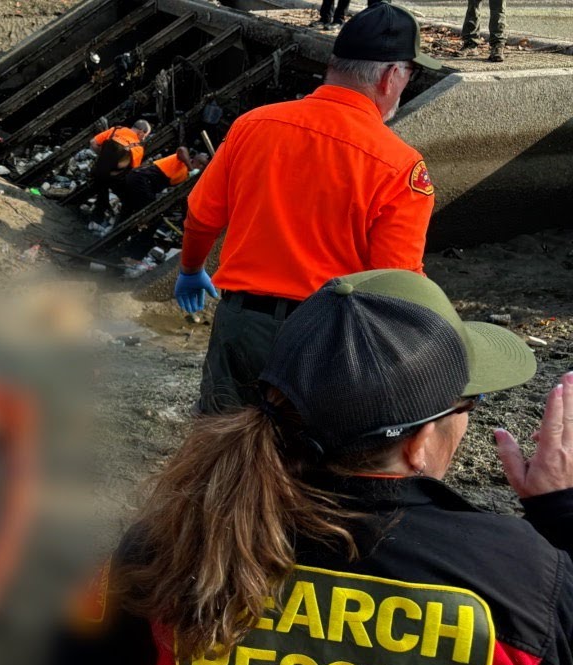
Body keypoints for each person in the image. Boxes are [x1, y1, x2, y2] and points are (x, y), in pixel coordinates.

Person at [55, 269, 573, 665]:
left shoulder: (165, 541)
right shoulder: (525, 579)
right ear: (419, 443)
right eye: (469, 403)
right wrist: (560, 517)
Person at [174, 2, 441, 414]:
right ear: (391, 76)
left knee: (217, 452)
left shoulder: (253, 125)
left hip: (241, 323)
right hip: (325, 336)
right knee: (303, 463)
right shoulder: (399, 164)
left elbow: (202, 217)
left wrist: (191, 270)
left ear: (333, 64)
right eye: (409, 75)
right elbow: (394, 280)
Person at [117, 145, 209, 223]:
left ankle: (114, 235)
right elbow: (181, 149)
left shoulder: (186, 177)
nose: (201, 169)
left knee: (128, 209)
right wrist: (191, 169)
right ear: (196, 162)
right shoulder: (182, 161)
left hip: (143, 182)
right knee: (151, 211)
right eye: (202, 165)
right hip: (141, 178)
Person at [88, 119, 151, 224]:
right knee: (129, 200)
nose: (144, 138)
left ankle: (98, 214)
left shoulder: (115, 130)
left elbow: (93, 143)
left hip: (97, 172)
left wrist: (103, 159)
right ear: (140, 132)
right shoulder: (138, 148)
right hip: (113, 178)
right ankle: (119, 224)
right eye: (145, 136)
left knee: (101, 188)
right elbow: (133, 172)